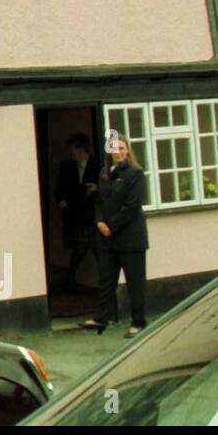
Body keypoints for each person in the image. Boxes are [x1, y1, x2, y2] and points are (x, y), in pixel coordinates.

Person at [83, 135, 149, 337]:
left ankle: (138, 322)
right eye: (114, 149)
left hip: (130, 238)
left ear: (128, 150)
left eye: (122, 148)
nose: (118, 152)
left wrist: (111, 226)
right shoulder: (105, 175)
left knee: (135, 283)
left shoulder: (136, 174)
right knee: (106, 280)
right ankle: (101, 318)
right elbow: (100, 203)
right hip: (108, 238)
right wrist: (99, 221)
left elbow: (132, 206)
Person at [54, 133, 100, 291]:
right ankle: (70, 280)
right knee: (79, 249)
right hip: (74, 215)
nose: (71, 152)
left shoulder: (97, 165)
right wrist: (60, 199)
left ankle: (106, 281)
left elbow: (105, 186)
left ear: (81, 149)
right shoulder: (66, 166)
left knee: (95, 248)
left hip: (92, 215)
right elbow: (60, 189)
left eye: (73, 148)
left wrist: (96, 189)